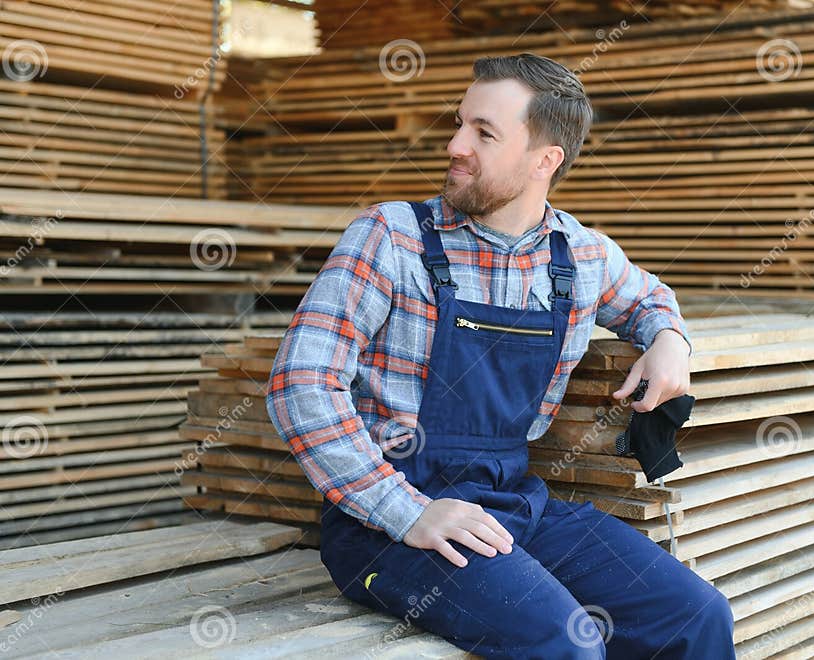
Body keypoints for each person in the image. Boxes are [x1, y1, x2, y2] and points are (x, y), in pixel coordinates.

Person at [266, 52, 735, 659]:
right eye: (460, 123)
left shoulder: (579, 256)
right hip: (386, 524)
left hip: (510, 503)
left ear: (545, 160)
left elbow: (651, 298)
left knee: (696, 615)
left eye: (484, 133)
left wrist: (669, 338)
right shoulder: (392, 238)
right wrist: (406, 513)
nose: (456, 145)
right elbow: (300, 383)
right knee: (564, 642)